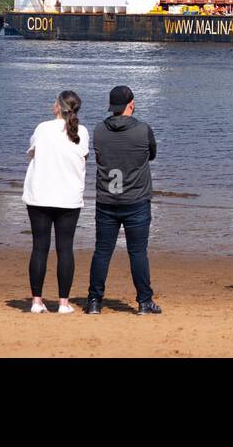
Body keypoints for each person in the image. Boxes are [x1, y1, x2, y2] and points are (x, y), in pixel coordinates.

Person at [86, 85, 160, 315]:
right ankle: (144, 301)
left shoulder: (99, 130)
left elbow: (99, 155)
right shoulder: (143, 130)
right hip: (136, 201)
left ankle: (94, 301)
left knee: (102, 251)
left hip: (107, 200)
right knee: (137, 252)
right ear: (131, 104)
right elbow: (152, 155)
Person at [22, 91, 89, 315]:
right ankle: (63, 303)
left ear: (58, 108)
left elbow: (31, 153)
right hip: (68, 197)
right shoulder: (82, 132)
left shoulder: (43, 128)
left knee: (39, 247)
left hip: (40, 195)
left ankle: (37, 301)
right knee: (65, 248)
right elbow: (84, 156)